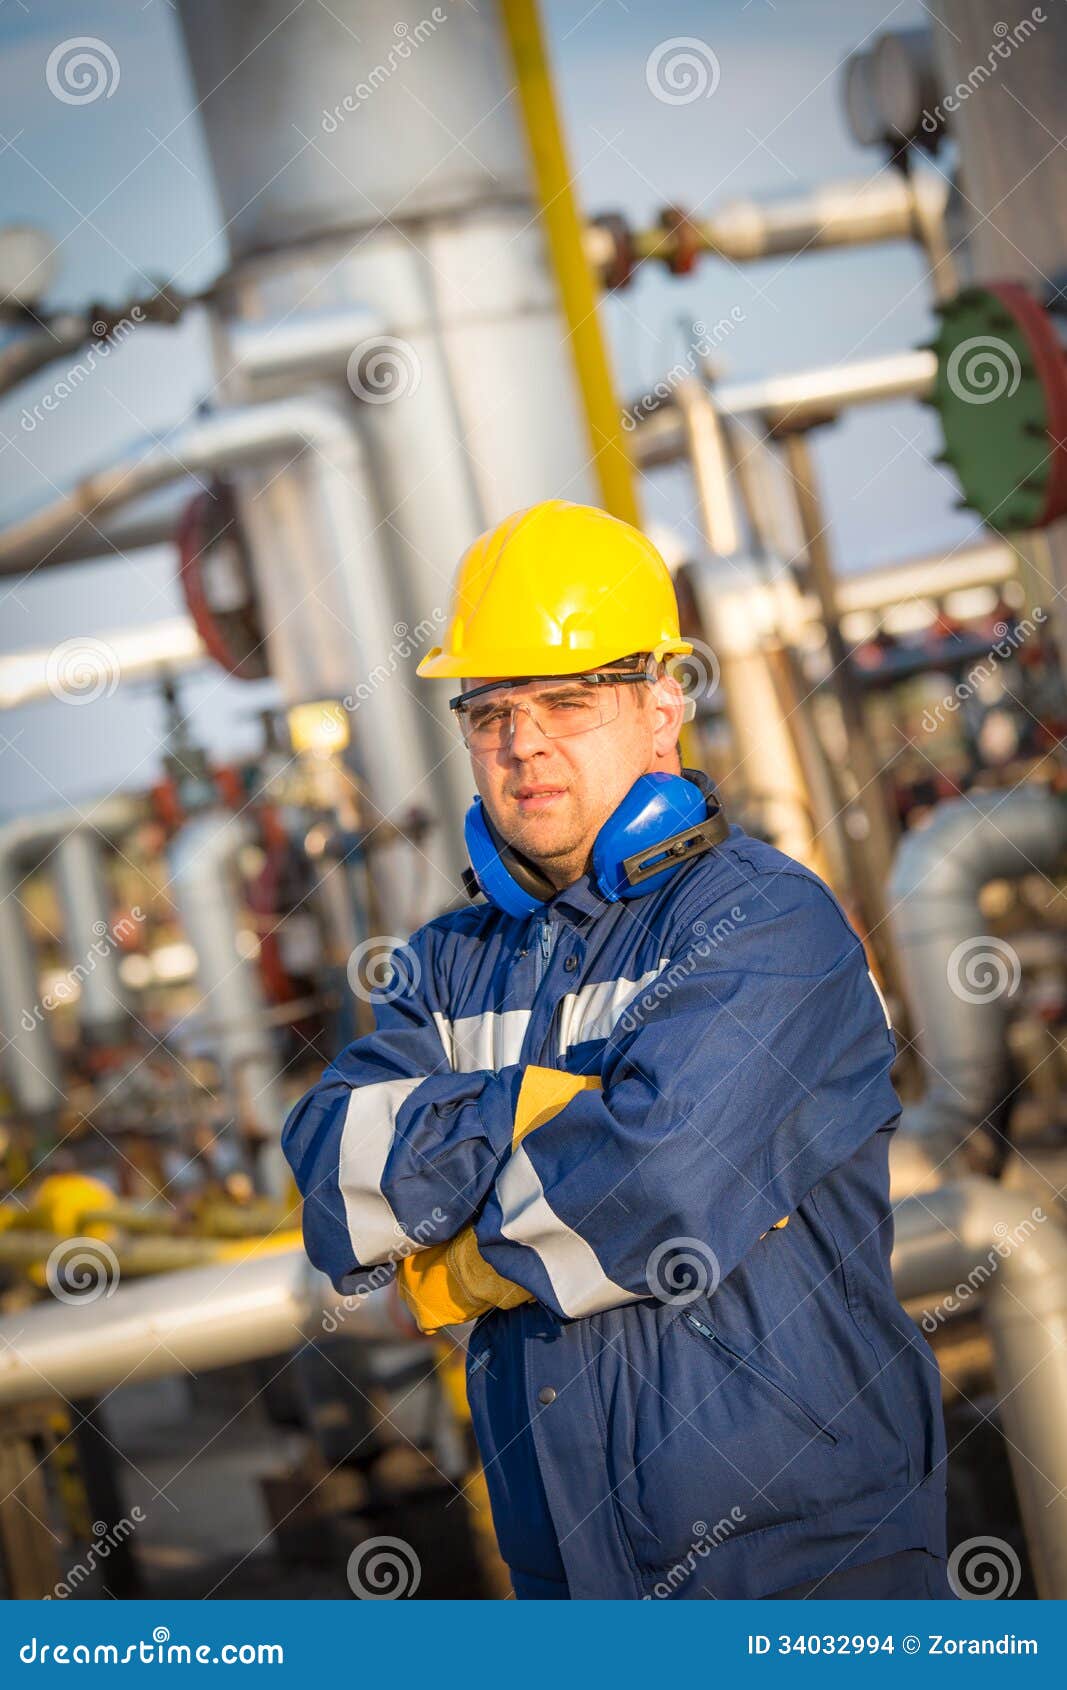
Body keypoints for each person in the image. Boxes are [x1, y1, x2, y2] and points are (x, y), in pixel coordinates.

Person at [281, 499, 953, 1600]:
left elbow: (656, 1184)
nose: (522, 742)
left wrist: (455, 1257)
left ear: (660, 708)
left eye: (566, 699)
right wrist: (546, 1110)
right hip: (565, 1571)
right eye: (490, 709)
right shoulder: (444, 961)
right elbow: (330, 1178)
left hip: (801, 1562)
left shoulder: (763, 925)